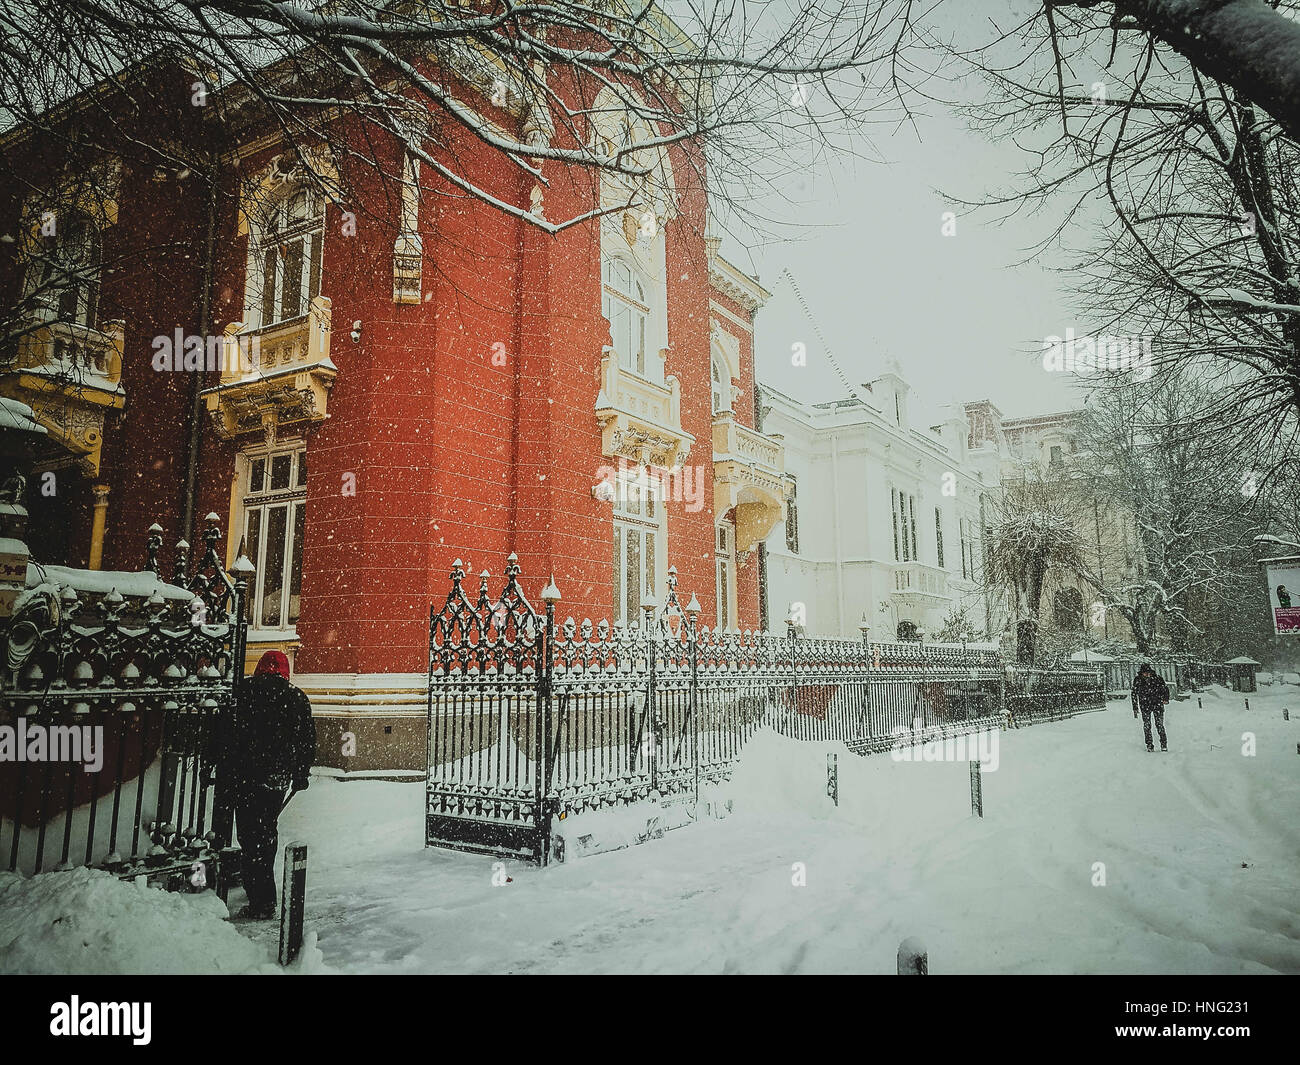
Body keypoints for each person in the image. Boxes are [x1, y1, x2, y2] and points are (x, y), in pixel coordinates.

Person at [221, 650, 316, 919]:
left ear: (261, 668)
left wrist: (219, 764)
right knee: (266, 835)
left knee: (249, 836)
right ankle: (266, 898)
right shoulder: (295, 697)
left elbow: (226, 731)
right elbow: (306, 740)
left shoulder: (243, 692)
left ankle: (258, 897)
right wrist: (300, 774)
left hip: (245, 775)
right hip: (275, 778)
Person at [1131, 663, 1170, 753]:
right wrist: (1135, 707)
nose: (1147, 675)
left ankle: (1163, 744)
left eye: (1148, 673)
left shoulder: (1157, 678)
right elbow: (1134, 693)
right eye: (1144, 673)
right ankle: (1149, 744)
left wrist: (1165, 698)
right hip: (1145, 705)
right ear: (1141, 673)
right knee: (1147, 725)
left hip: (1157, 704)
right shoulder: (1138, 680)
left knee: (1159, 725)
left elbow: (1165, 689)